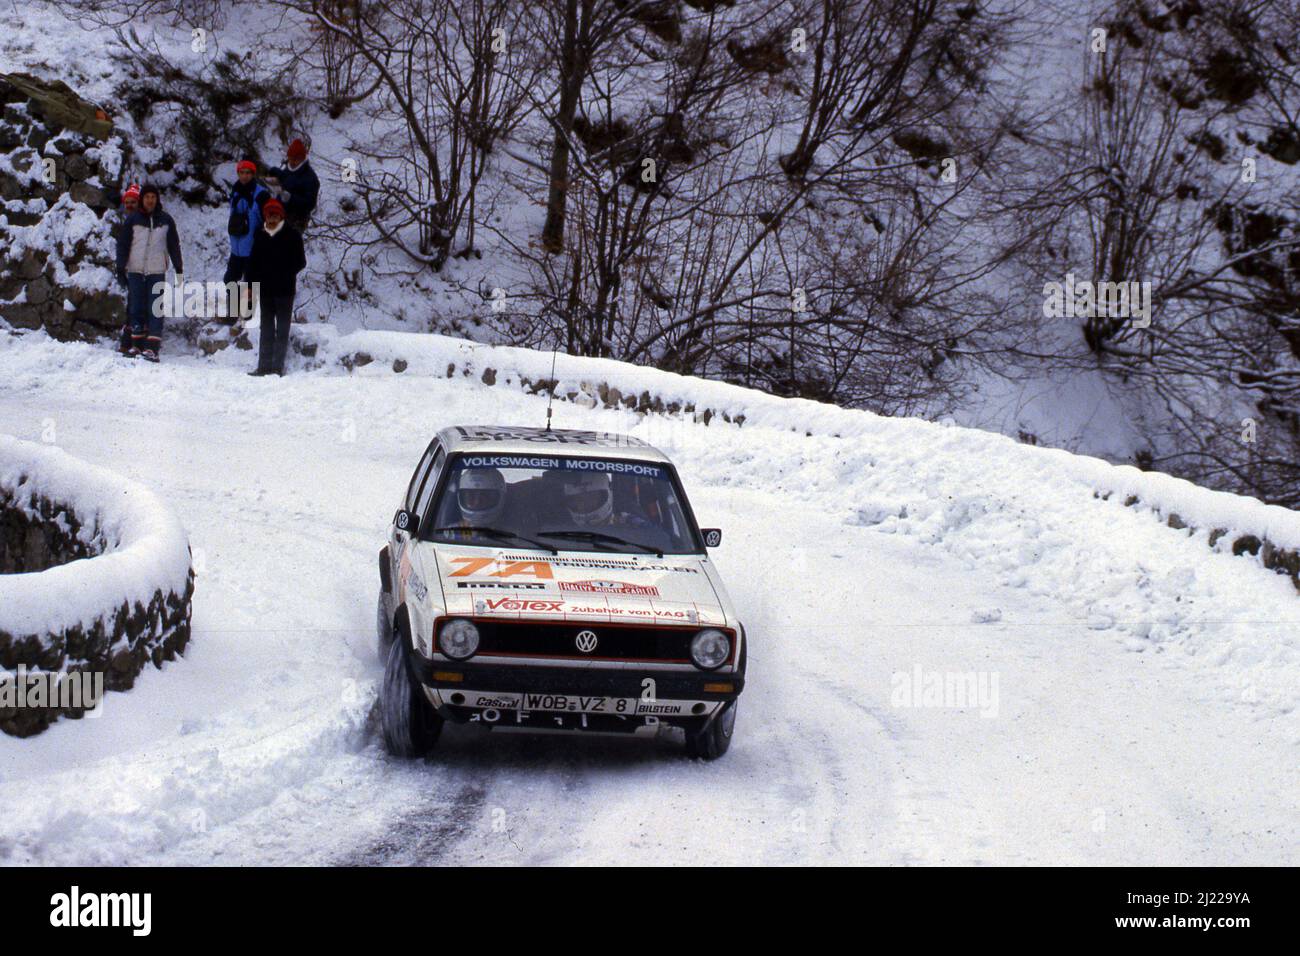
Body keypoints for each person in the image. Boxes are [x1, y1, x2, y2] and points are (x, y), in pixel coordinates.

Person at [115, 183, 183, 362]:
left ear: (157, 199)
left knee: (155, 308)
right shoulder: (133, 220)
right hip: (136, 269)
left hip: (157, 270)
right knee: (136, 307)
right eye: (147, 197)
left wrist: (179, 268)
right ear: (142, 200)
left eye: (153, 197)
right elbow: (123, 244)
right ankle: (136, 345)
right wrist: (120, 267)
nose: (150, 200)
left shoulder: (166, 220)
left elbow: (174, 245)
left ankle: (152, 348)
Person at [247, 198, 306, 377]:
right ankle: (263, 366)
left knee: (282, 329)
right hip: (265, 290)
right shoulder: (260, 234)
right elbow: (252, 263)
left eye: (275, 214)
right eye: (269, 215)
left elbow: (300, 262)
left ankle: (277, 367)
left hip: (284, 290)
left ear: (281, 216)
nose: (272, 218)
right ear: (265, 216)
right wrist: (249, 285)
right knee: (265, 328)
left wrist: (284, 272)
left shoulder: (292, 235)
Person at [558, 472, 672, 551]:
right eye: (577, 500)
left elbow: (660, 539)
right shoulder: (555, 530)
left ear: (607, 495)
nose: (583, 505)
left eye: (591, 498)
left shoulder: (631, 522)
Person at [223, 159, 268, 320]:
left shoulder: (261, 194)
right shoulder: (235, 192)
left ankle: (249, 317)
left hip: (253, 248)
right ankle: (234, 314)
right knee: (229, 279)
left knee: (251, 283)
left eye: (248, 173)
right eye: (242, 172)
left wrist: (262, 238)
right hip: (237, 247)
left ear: (253, 174)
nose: (244, 176)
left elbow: (269, 219)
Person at [265, 138, 320, 233]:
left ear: (302, 159)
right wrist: (275, 172)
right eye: (290, 158)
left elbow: (310, 204)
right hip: (279, 214)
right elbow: (286, 178)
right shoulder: (289, 169)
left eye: (296, 159)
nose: (292, 162)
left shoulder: (310, 178)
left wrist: (291, 198)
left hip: (297, 220)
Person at [112, 183, 140, 355]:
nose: (129, 205)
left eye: (133, 202)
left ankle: (136, 341)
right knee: (132, 306)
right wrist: (121, 269)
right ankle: (128, 341)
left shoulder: (141, 221)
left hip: (144, 269)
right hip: (132, 269)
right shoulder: (127, 222)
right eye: (127, 202)